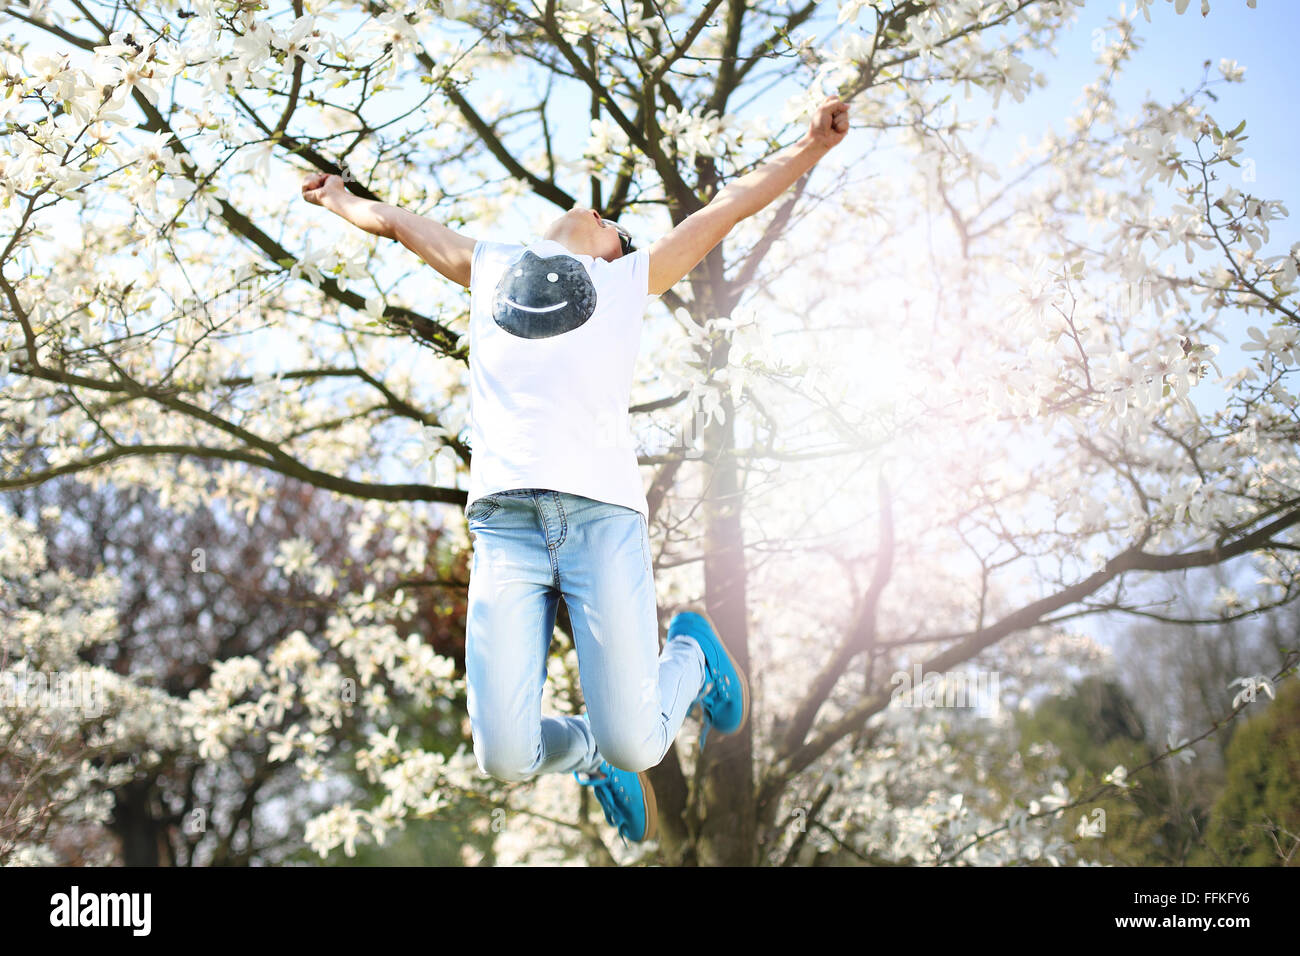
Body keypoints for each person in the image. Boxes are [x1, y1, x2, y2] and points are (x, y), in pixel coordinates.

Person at [303, 94, 850, 845]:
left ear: (616, 254)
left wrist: (809, 148)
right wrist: (340, 199)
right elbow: (397, 225)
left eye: (620, 230)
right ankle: (590, 756)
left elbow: (726, 208)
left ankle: (690, 652)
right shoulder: (489, 262)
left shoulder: (630, 279)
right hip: (505, 527)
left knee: (640, 741)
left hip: (598, 521)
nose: (604, 217)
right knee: (504, 755)